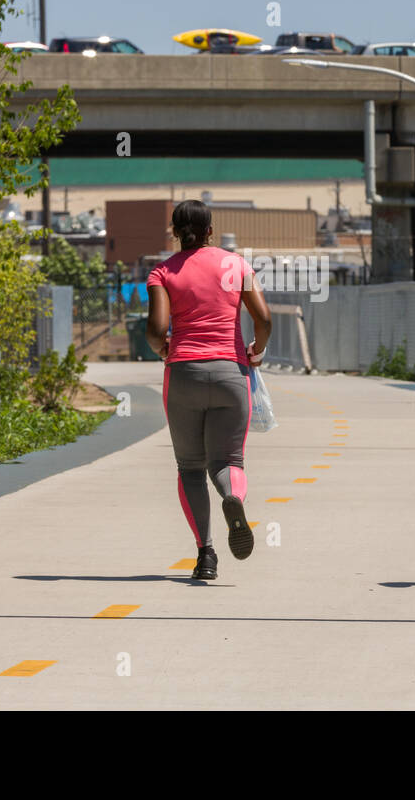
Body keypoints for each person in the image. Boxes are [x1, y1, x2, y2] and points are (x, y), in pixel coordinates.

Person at [146, 200, 273, 580]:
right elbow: (263, 318)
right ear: (210, 232)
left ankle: (205, 555)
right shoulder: (236, 265)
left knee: (190, 467)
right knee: (228, 461)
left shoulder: (162, 272)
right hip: (231, 373)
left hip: (183, 374)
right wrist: (257, 351)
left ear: (175, 232)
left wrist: (163, 349)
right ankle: (232, 497)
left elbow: (155, 330)